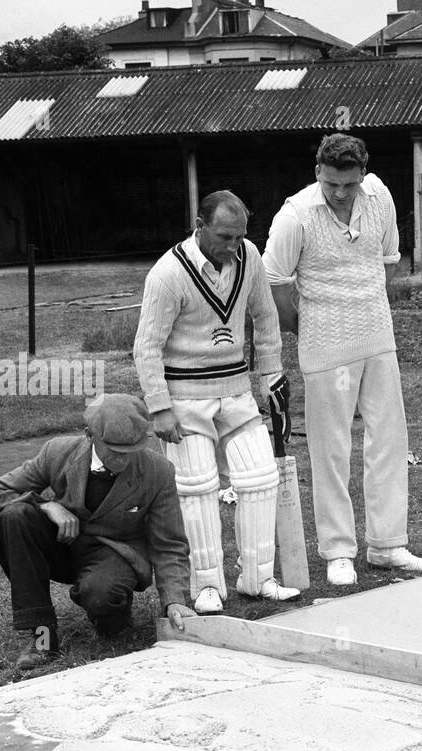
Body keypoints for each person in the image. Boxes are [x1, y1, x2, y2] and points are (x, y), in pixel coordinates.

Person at [263, 133, 422, 587]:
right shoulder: (295, 214)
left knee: (389, 436)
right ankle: (339, 551)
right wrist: (310, 326)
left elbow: (389, 259)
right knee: (330, 446)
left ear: (362, 175)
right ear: (318, 171)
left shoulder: (379, 195)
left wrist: (364, 305)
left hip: (377, 334)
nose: (340, 193)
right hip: (323, 343)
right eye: (332, 184)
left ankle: (387, 545)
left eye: (349, 185)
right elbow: (276, 281)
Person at [134, 189, 301, 614]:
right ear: (200, 226)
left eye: (240, 235)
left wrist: (271, 375)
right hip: (185, 399)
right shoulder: (168, 273)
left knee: (261, 479)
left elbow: (265, 317)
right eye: (225, 237)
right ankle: (206, 585)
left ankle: (258, 578)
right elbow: (146, 346)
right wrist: (159, 407)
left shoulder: (248, 257)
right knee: (195, 490)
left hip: (236, 392)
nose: (234, 245)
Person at [0, 394, 196, 671]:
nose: (122, 459)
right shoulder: (57, 452)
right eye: (114, 451)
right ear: (89, 435)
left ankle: (111, 603)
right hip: (62, 545)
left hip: (113, 553)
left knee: (108, 614)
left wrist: (174, 600)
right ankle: (42, 637)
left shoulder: (159, 471)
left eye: (132, 450)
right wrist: (46, 505)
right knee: (16, 516)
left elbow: (169, 544)